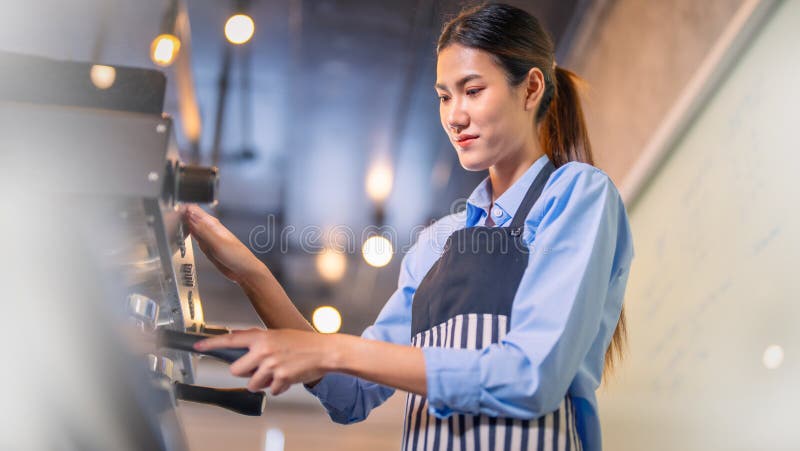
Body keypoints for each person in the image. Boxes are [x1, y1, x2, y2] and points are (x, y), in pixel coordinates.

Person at [185, 3, 634, 450]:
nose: (455, 116)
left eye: (473, 90)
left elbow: (532, 375)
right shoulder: (435, 244)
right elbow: (349, 394)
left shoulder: (577, 195)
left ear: (531, 88)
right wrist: (251, 274)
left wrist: (332, 349)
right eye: (444, 96)